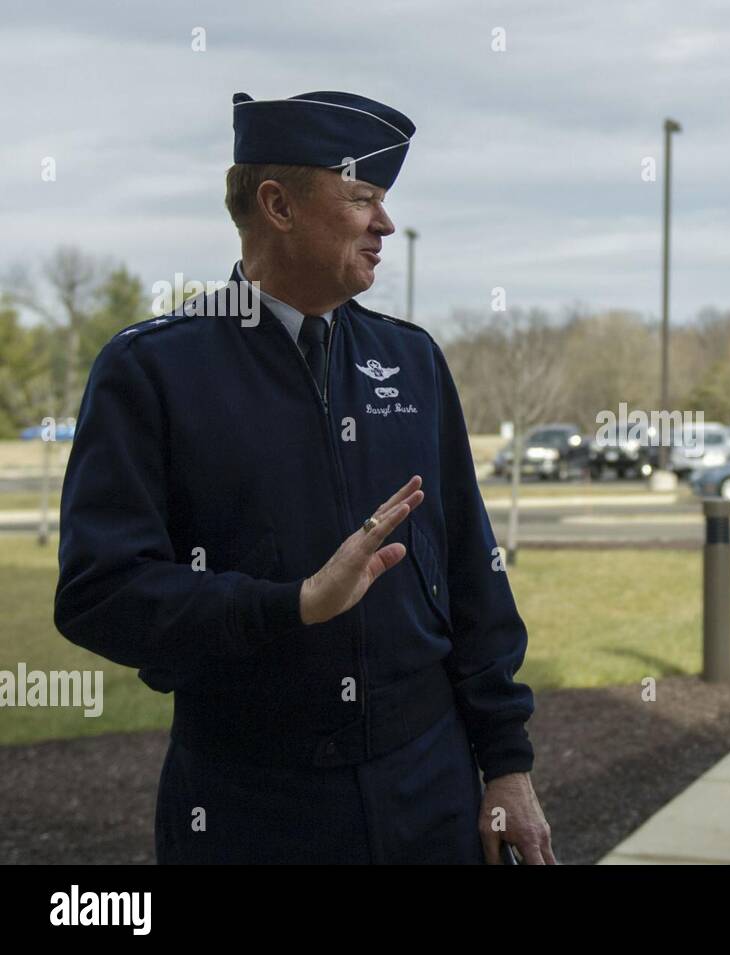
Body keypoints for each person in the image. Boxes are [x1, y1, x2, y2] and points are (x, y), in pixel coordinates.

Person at [54, 90, 554, 864]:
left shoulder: (413, 359)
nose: (385, 224)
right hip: (251, 803)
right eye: (362, 198)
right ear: (278, 205)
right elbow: (100, 593)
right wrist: (290, 606)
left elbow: (472, 574)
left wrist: (508, 764)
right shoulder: (153, 368)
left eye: (384, 202)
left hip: (431, 786)